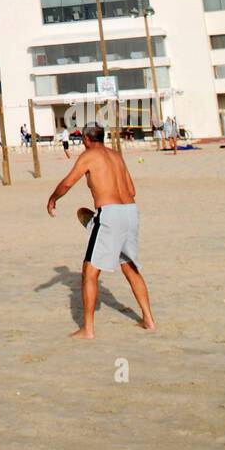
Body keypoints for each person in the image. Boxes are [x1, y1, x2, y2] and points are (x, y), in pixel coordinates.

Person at [46, 123, 156, 340]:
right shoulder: (116, 155)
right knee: (129, 266)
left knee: (89, 271)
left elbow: (68, 183)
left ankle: (87, 329)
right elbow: (132, 190)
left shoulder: (89, 156)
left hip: (110, 215)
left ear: (86, 139)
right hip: (130, 212)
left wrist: (52, 199)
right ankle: (149, 320)